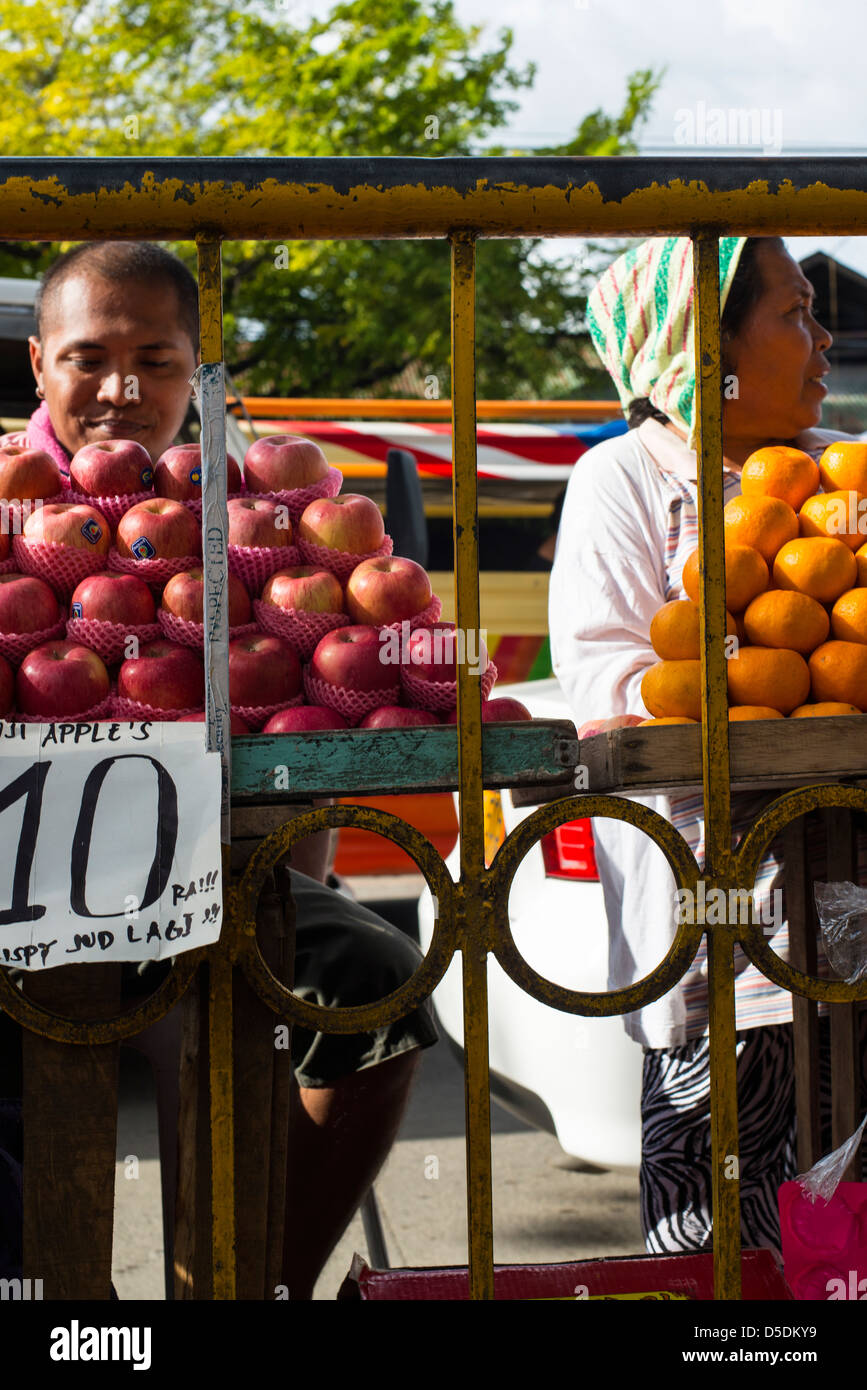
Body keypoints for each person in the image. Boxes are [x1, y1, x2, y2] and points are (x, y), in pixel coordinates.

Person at [0, 240, 438, 1299]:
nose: (121, 390)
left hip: (216, 879)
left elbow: (330, 700)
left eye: (156, 359)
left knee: (377, 981)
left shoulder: (260, 515)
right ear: (37, 365)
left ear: (198, 367)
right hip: (17, 898)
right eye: (89, 357)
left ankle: (250, 1285)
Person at [548, 234, 867, 1255]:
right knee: (726, 1252)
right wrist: (757, 681)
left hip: (854, 922)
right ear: (701, 351)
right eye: (794, 313)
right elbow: (605, 684)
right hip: (726, 944)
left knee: (848, 1247)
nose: (825, 338)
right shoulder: (623, 481)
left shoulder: (842, 482)